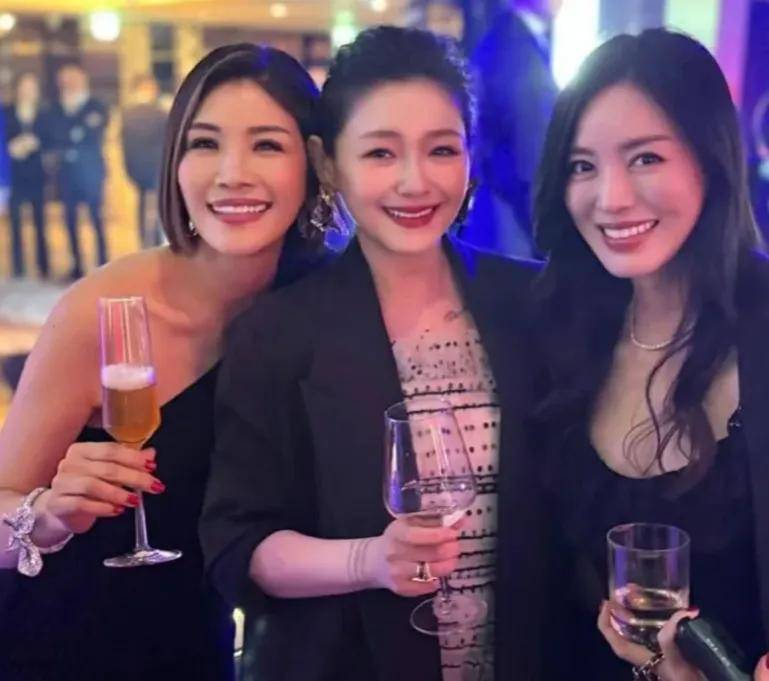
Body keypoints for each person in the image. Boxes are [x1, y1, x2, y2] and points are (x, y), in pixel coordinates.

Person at [200, 26, 540, 681]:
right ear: (328, 163)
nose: (415, 181)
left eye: (441, 149)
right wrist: (370, 561)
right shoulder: (279, 331)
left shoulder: (529, 302)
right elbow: (238, 542)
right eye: (381, 152)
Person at [0, 43, 324, 680]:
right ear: (175, 162)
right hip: (59, 647)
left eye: (266, 145)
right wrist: (46, 517)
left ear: (314, 165)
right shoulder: (104, 308)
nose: (232, 173)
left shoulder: (321, 305)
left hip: (200, 650)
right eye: (204, 144)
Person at [499, 28, 767, 680]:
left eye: (645, 158)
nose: (611, 198)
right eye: (582, 166)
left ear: (710, 159)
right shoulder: (554, 327)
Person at [50, 63, 109, 278]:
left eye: (72, 79)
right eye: (64, 80)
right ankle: (76, 265)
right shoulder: (56, 108)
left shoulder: (97, 105)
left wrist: (72, 133)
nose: (68, 83)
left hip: (91, 171)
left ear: (83, 79)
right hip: (66, 173)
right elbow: (54, 134)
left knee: (96, 218)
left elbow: (95, 132)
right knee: (70, 221)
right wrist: (78, 130)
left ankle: (103, 264)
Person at [4, 72, 51, 278]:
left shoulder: (44, 113)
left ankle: (44, 266)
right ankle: (18, 268)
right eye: (24, 87)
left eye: (32, 87)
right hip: (15, 175)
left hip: (37, 175)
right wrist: (10, 148)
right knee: (15, 223)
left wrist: (36, 143)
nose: (28, 91)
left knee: (40, 222)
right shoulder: (6, 112)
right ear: (17, 89)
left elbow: (51, 139)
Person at [121, 74, 168, 248]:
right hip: (157, 167)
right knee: (158, 208)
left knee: (142, 206)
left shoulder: (127, 114)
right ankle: (155, 243)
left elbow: (125, 144)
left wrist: (129, 168)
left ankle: (144, 243)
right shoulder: (160, 113)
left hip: (136, 168)